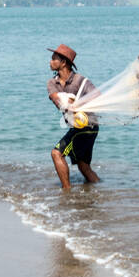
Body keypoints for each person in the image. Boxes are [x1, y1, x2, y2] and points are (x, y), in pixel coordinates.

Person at [46, 43, 101, 190]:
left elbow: (97, 95)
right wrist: (66, 101)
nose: (50, 61)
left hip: (88, 126)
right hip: (78, 127)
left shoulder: (80, 81)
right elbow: (55, 98)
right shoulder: (52, 82)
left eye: (53, 58)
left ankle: (67, 191)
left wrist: (77, 104)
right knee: (84, 167)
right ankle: (99, 188)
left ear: (63, 62)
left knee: (56, 153)